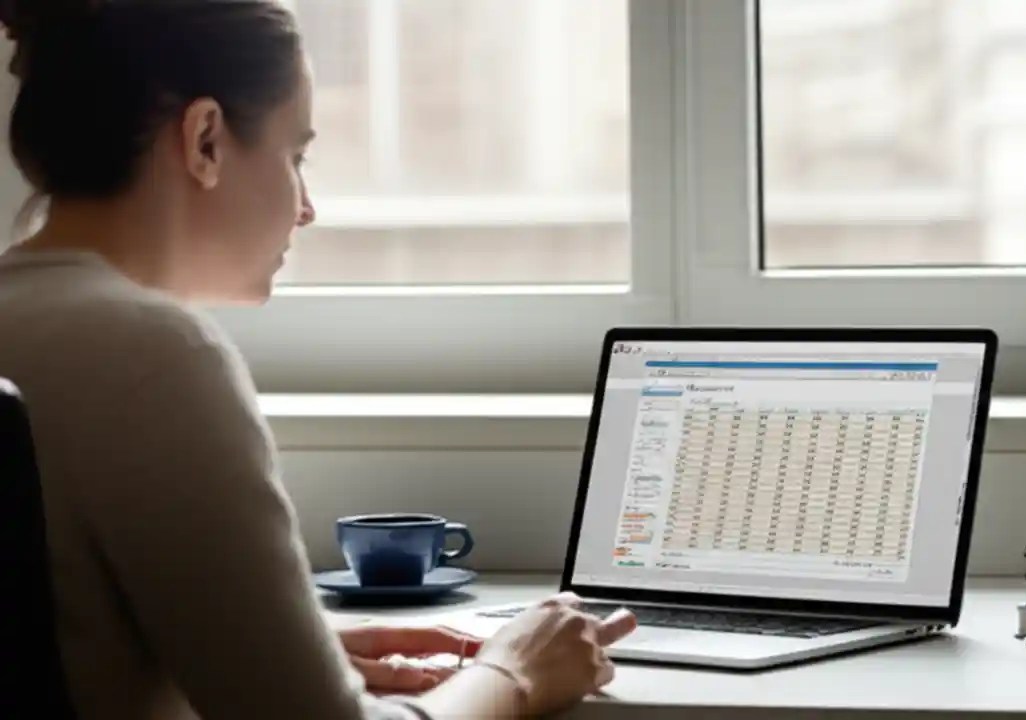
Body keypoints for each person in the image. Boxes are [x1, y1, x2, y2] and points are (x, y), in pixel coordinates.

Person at [0, 1, 637, 718]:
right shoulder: (156, 357)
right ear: (205, 139)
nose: (307, 207)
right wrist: (517, 672)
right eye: (294, 156)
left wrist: (290, 652)